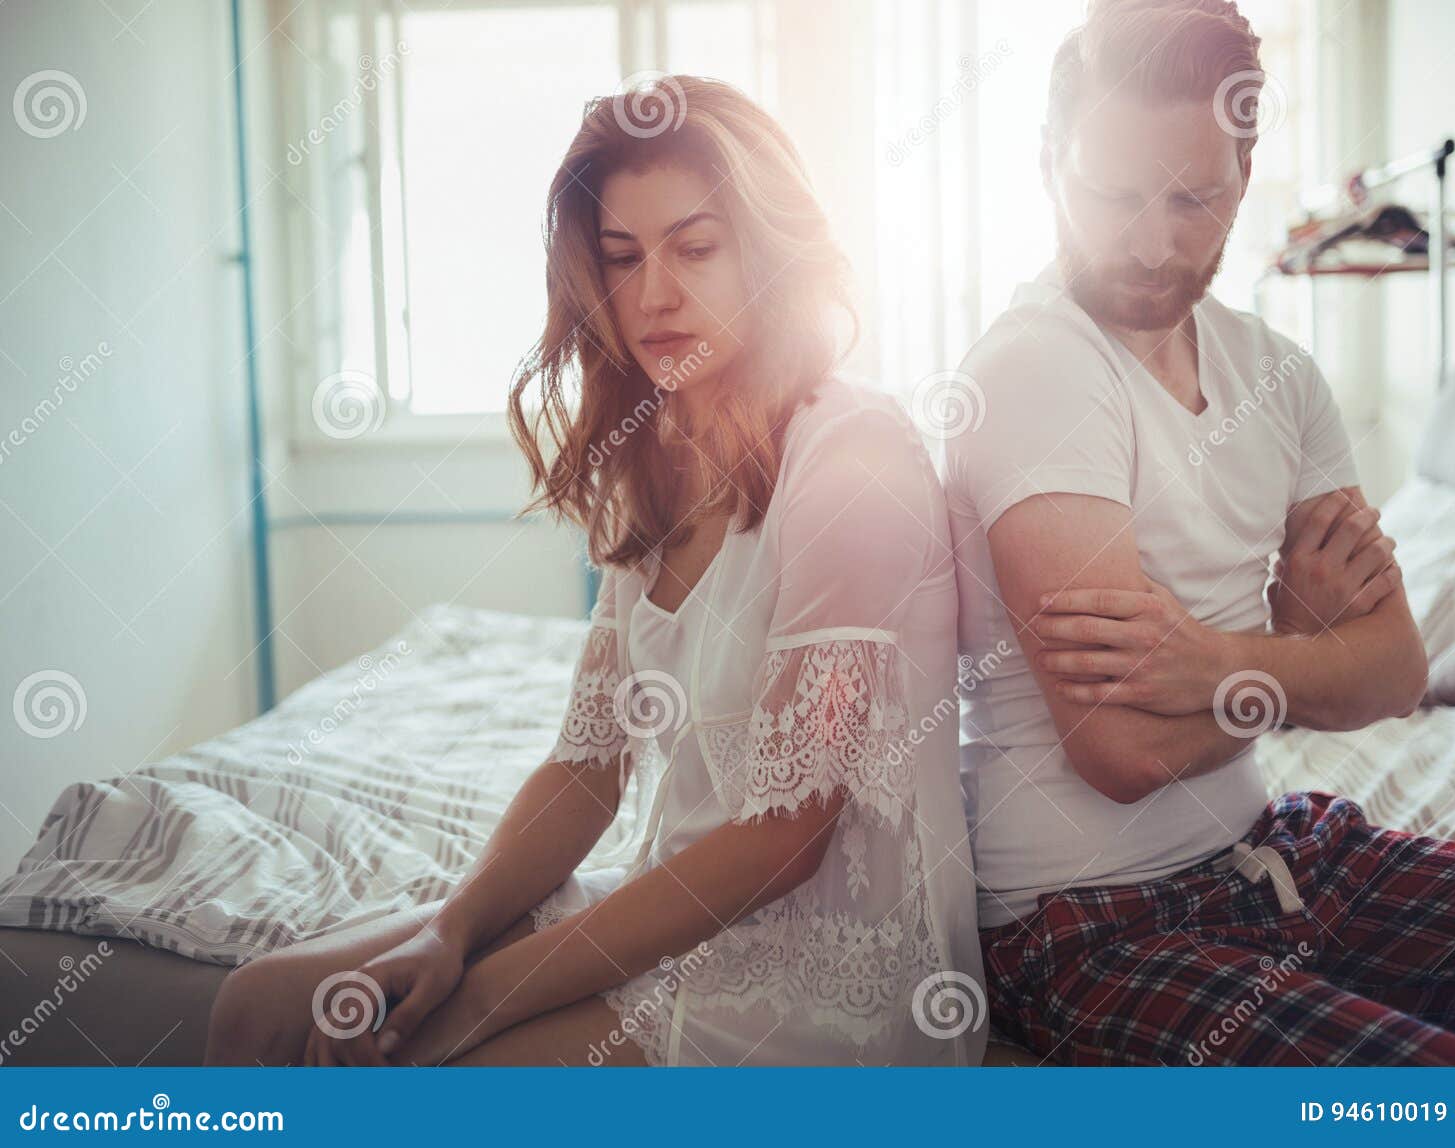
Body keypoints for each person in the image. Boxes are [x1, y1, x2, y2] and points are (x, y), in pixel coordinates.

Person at [205, 75, 986, 1066]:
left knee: (420, 1060)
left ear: (770, 252)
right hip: (666, 902)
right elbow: (586, 765)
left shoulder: (853, 454)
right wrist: (449, 931)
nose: (654, 293)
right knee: (255, 1005)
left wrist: (489, 994)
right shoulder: (655, 450)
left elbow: (785, 834)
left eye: (695, 249)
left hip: (818, 975)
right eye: (622, 258)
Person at [941, 0, 1455, 1065]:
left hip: (1279, 850)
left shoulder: (1279, 376)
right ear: (1046, 163)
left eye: (1193, 197)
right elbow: (1120, 750)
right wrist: (1303, 660)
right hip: (1090, 922)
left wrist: (1231, 661)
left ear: (1245, 176)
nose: (1152, 244)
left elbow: (1396, 672)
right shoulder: (1034, 370)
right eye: (1110, 194)